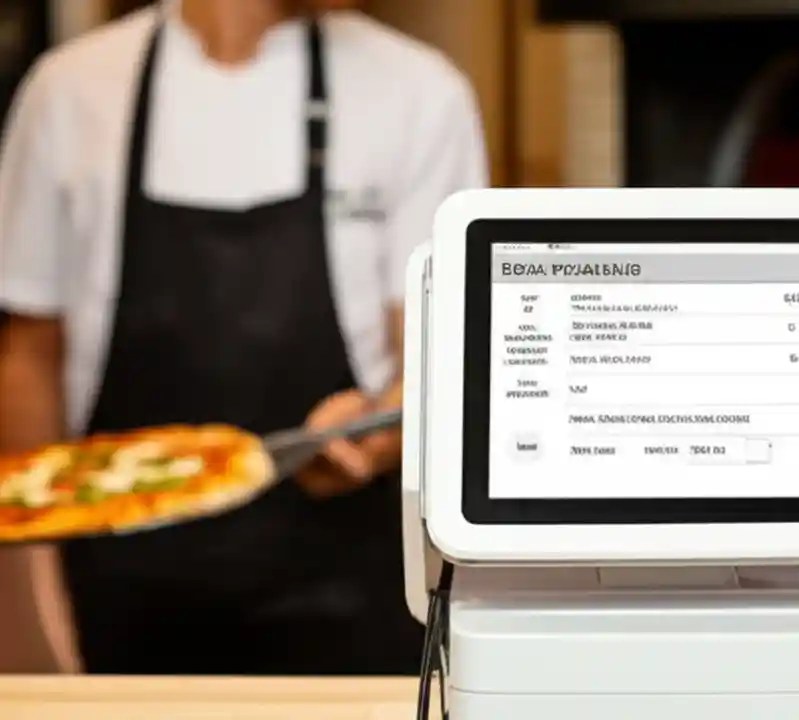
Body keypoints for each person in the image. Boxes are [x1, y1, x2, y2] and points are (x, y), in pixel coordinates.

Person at [0, 0, 486, 674]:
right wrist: (29, 599)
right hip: (119, 594)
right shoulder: (70, 89)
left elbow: (434, 364)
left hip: (346, 592)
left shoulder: (419, 92)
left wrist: (378, 432)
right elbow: (30, 354)